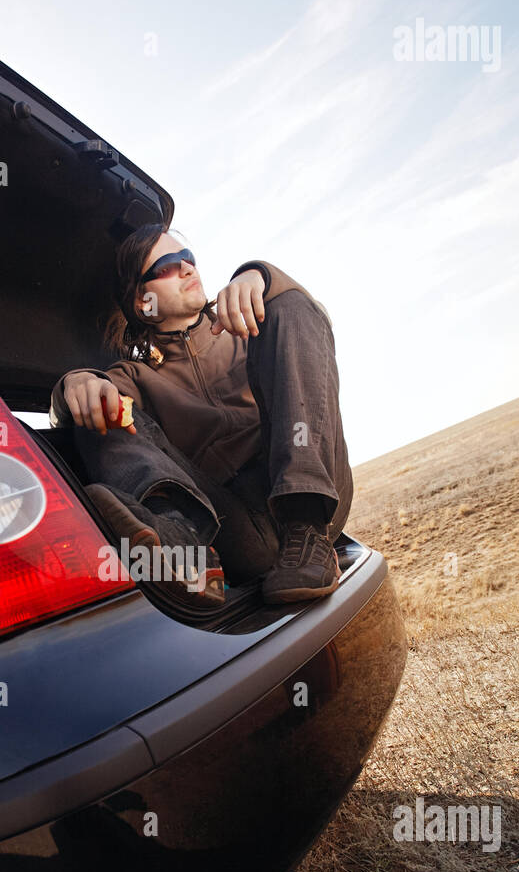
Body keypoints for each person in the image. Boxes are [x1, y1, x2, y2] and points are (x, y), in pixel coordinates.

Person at [48, 225, 353, 610]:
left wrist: (260, 274)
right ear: (143, 301)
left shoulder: (252, 327)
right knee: (101, 407)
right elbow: (74, 406)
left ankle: (306, 531)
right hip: (234, 530)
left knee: (290, 304)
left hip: (310, 500)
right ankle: (182, 544)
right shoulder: (136, 377)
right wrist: (74, 384)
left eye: (187, 259)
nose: (187, 269)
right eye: (168, 266)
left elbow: (313, 323)